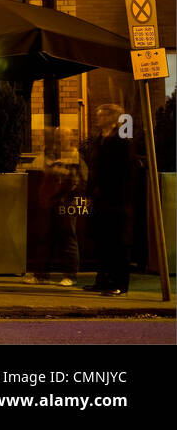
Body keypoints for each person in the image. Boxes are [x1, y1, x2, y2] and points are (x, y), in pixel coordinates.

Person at [83, 103, 137, 295]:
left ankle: (120, 283)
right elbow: (93, 169)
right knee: (101, 240)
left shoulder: (121, 140)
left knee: (117, 242)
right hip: (99, 198)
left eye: (102, 116)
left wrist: (120, 197)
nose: (98, 119)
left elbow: (125, 172)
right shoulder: (99, 139)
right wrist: (90, 193)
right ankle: (103, 280)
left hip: (116, 200)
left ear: (112, 118)